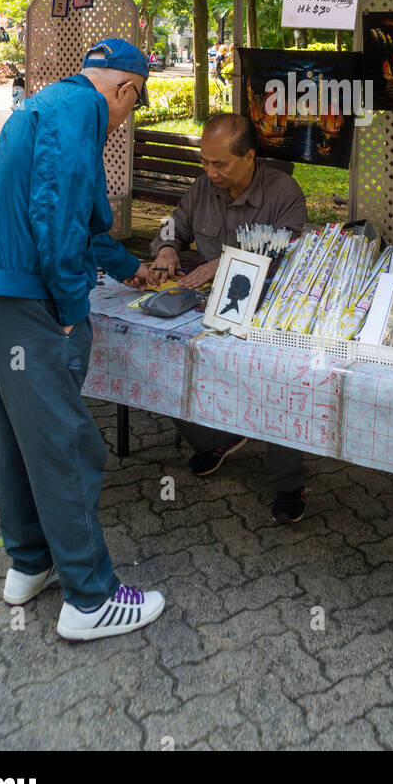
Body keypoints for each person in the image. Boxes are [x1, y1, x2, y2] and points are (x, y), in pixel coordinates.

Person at [0, 39, 163, 642]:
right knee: (66, 445)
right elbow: (57, 218)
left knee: (21, 439)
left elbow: (76, 219)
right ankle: (91, 597)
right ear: (126, 89)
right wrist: (73, 310)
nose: (122, 122)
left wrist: (131, 267)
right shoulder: (84, 113)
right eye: (131, 108)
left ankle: (29, 564)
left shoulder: (44, 104)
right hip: (31, 302)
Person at [148, 113, 311, 524]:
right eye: (204, 162)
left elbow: (290, 255)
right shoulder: (204, 186)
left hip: (270, 308)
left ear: (250, 157)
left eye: (218, 163)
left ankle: (288, 483)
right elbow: (173, 224)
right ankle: (216, 438)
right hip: (210, 306)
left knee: (279, 381)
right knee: (164, 354)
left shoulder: (283, 192)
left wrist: (226, 262)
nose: (209, 172)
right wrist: (167, 248)